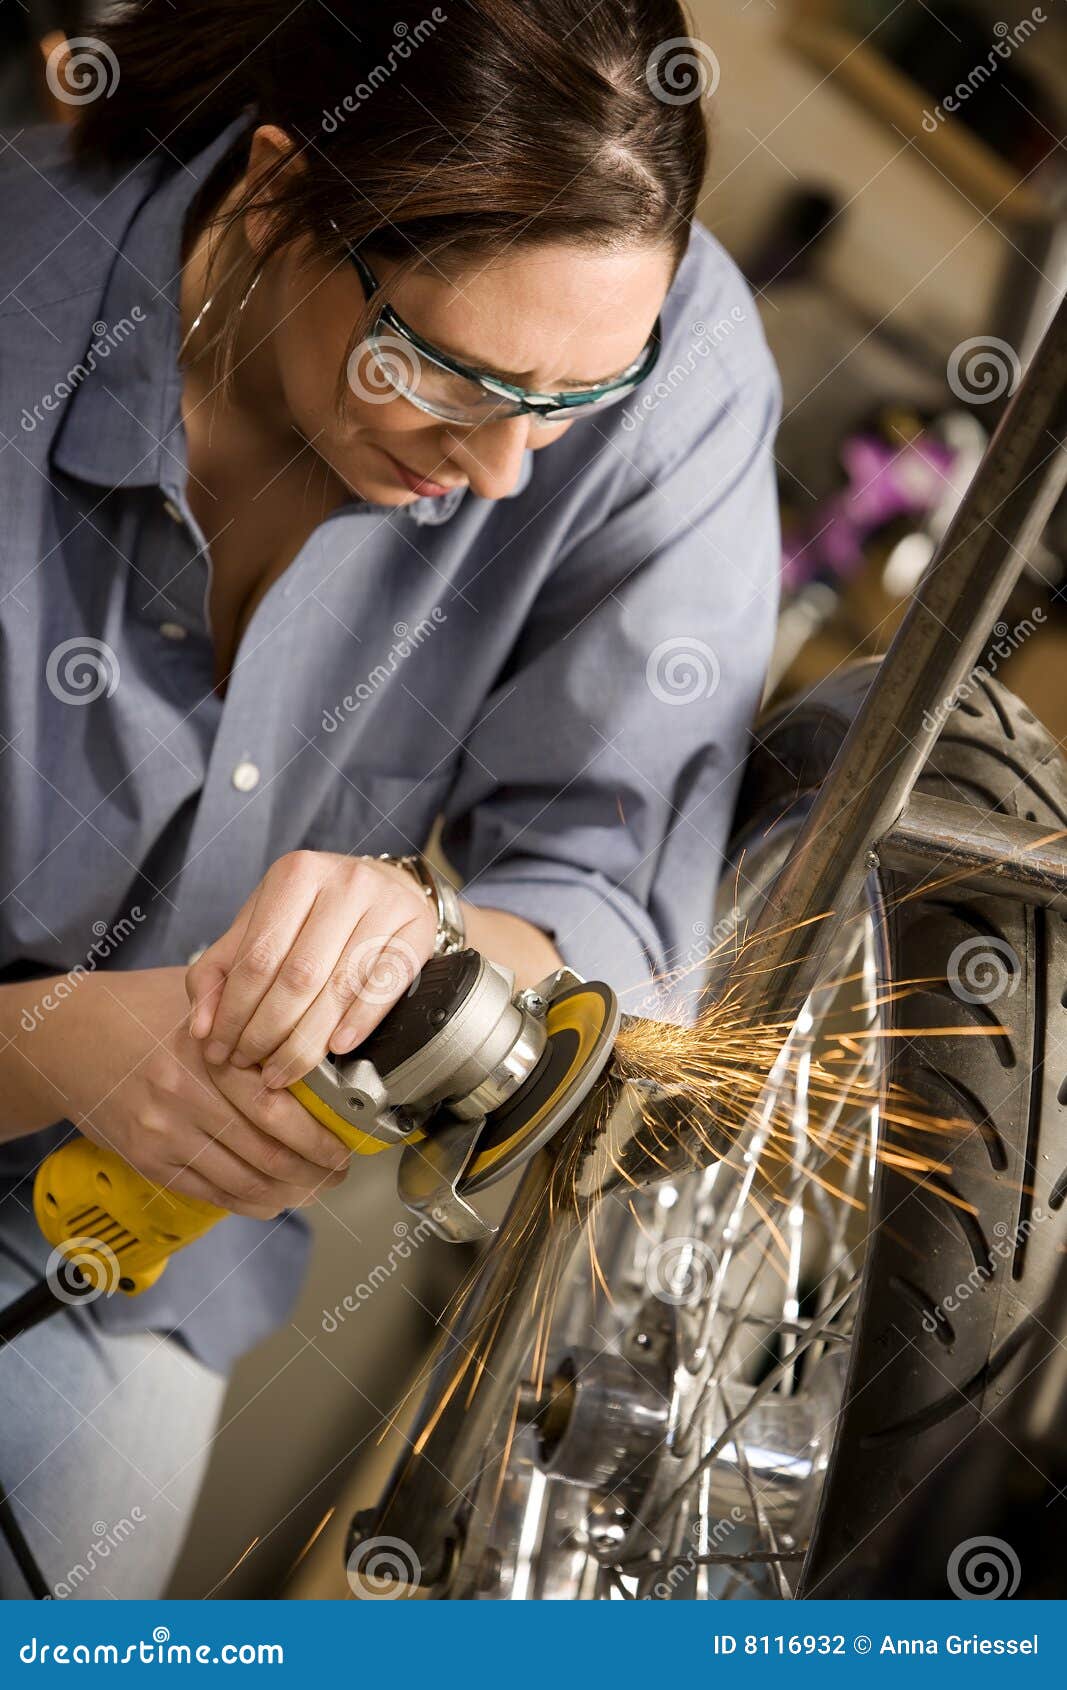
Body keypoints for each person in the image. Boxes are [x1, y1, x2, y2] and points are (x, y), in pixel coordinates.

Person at [0, 0, 780, 1596]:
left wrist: (436, 943)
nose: (502, 473)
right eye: (446, 375)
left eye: (568, 406)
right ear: (284, 192)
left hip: (136, 1272)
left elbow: (618, 889)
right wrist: (55, 1040)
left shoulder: (665, 366)